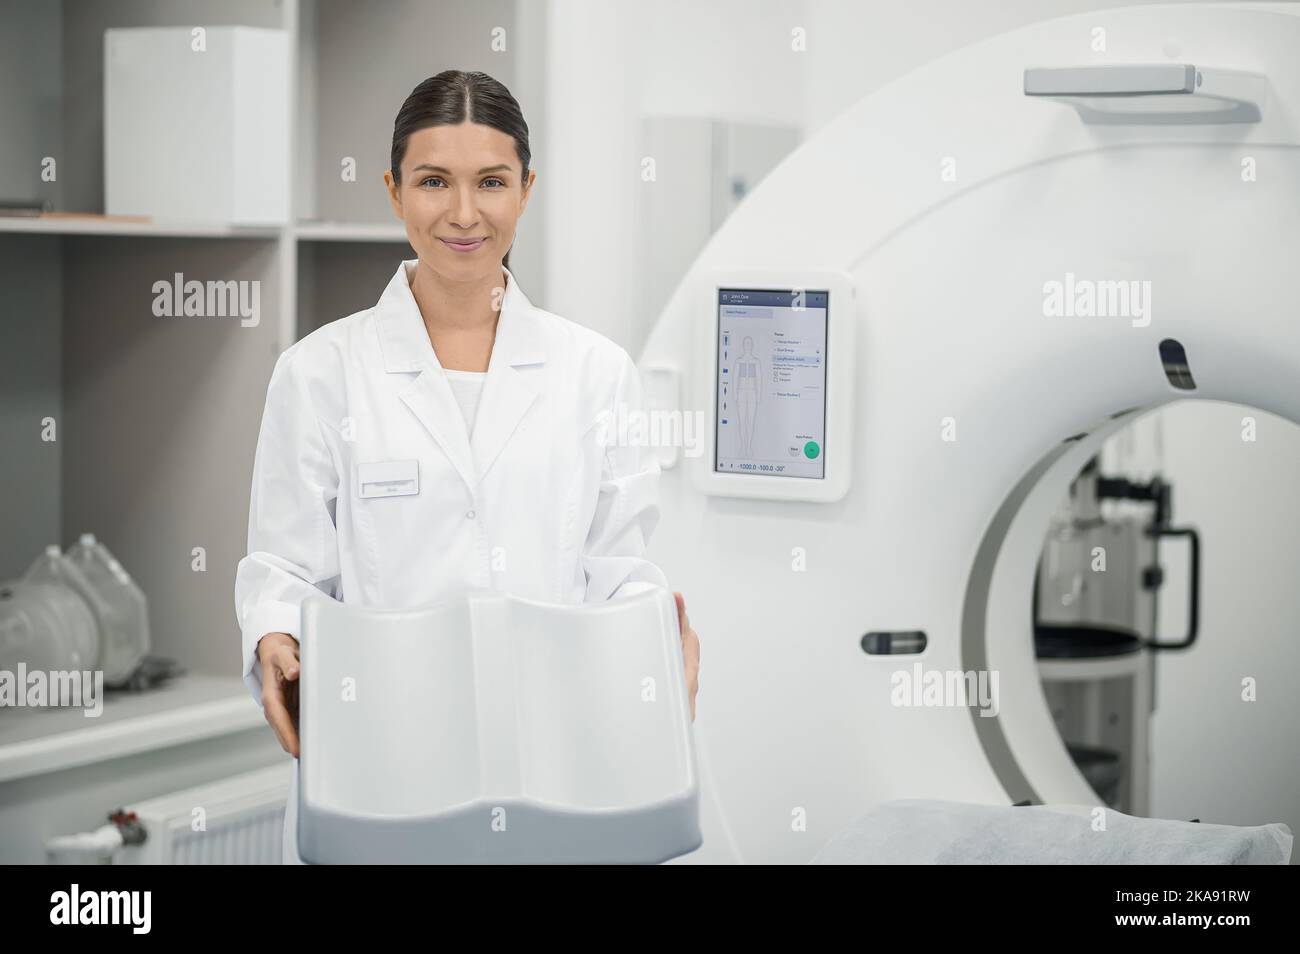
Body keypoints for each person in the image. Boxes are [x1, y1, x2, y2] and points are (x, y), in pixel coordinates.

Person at [233, 70, 700, 864]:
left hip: (561, 765)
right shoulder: (320, 373)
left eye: (490, 182)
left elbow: (621, 566)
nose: (462, 212)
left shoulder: (595, 371)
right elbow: (282, 568)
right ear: (393, 190)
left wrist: (659, 639)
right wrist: (273, 635)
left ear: (526, 189)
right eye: (432, 182)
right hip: (379, 765)